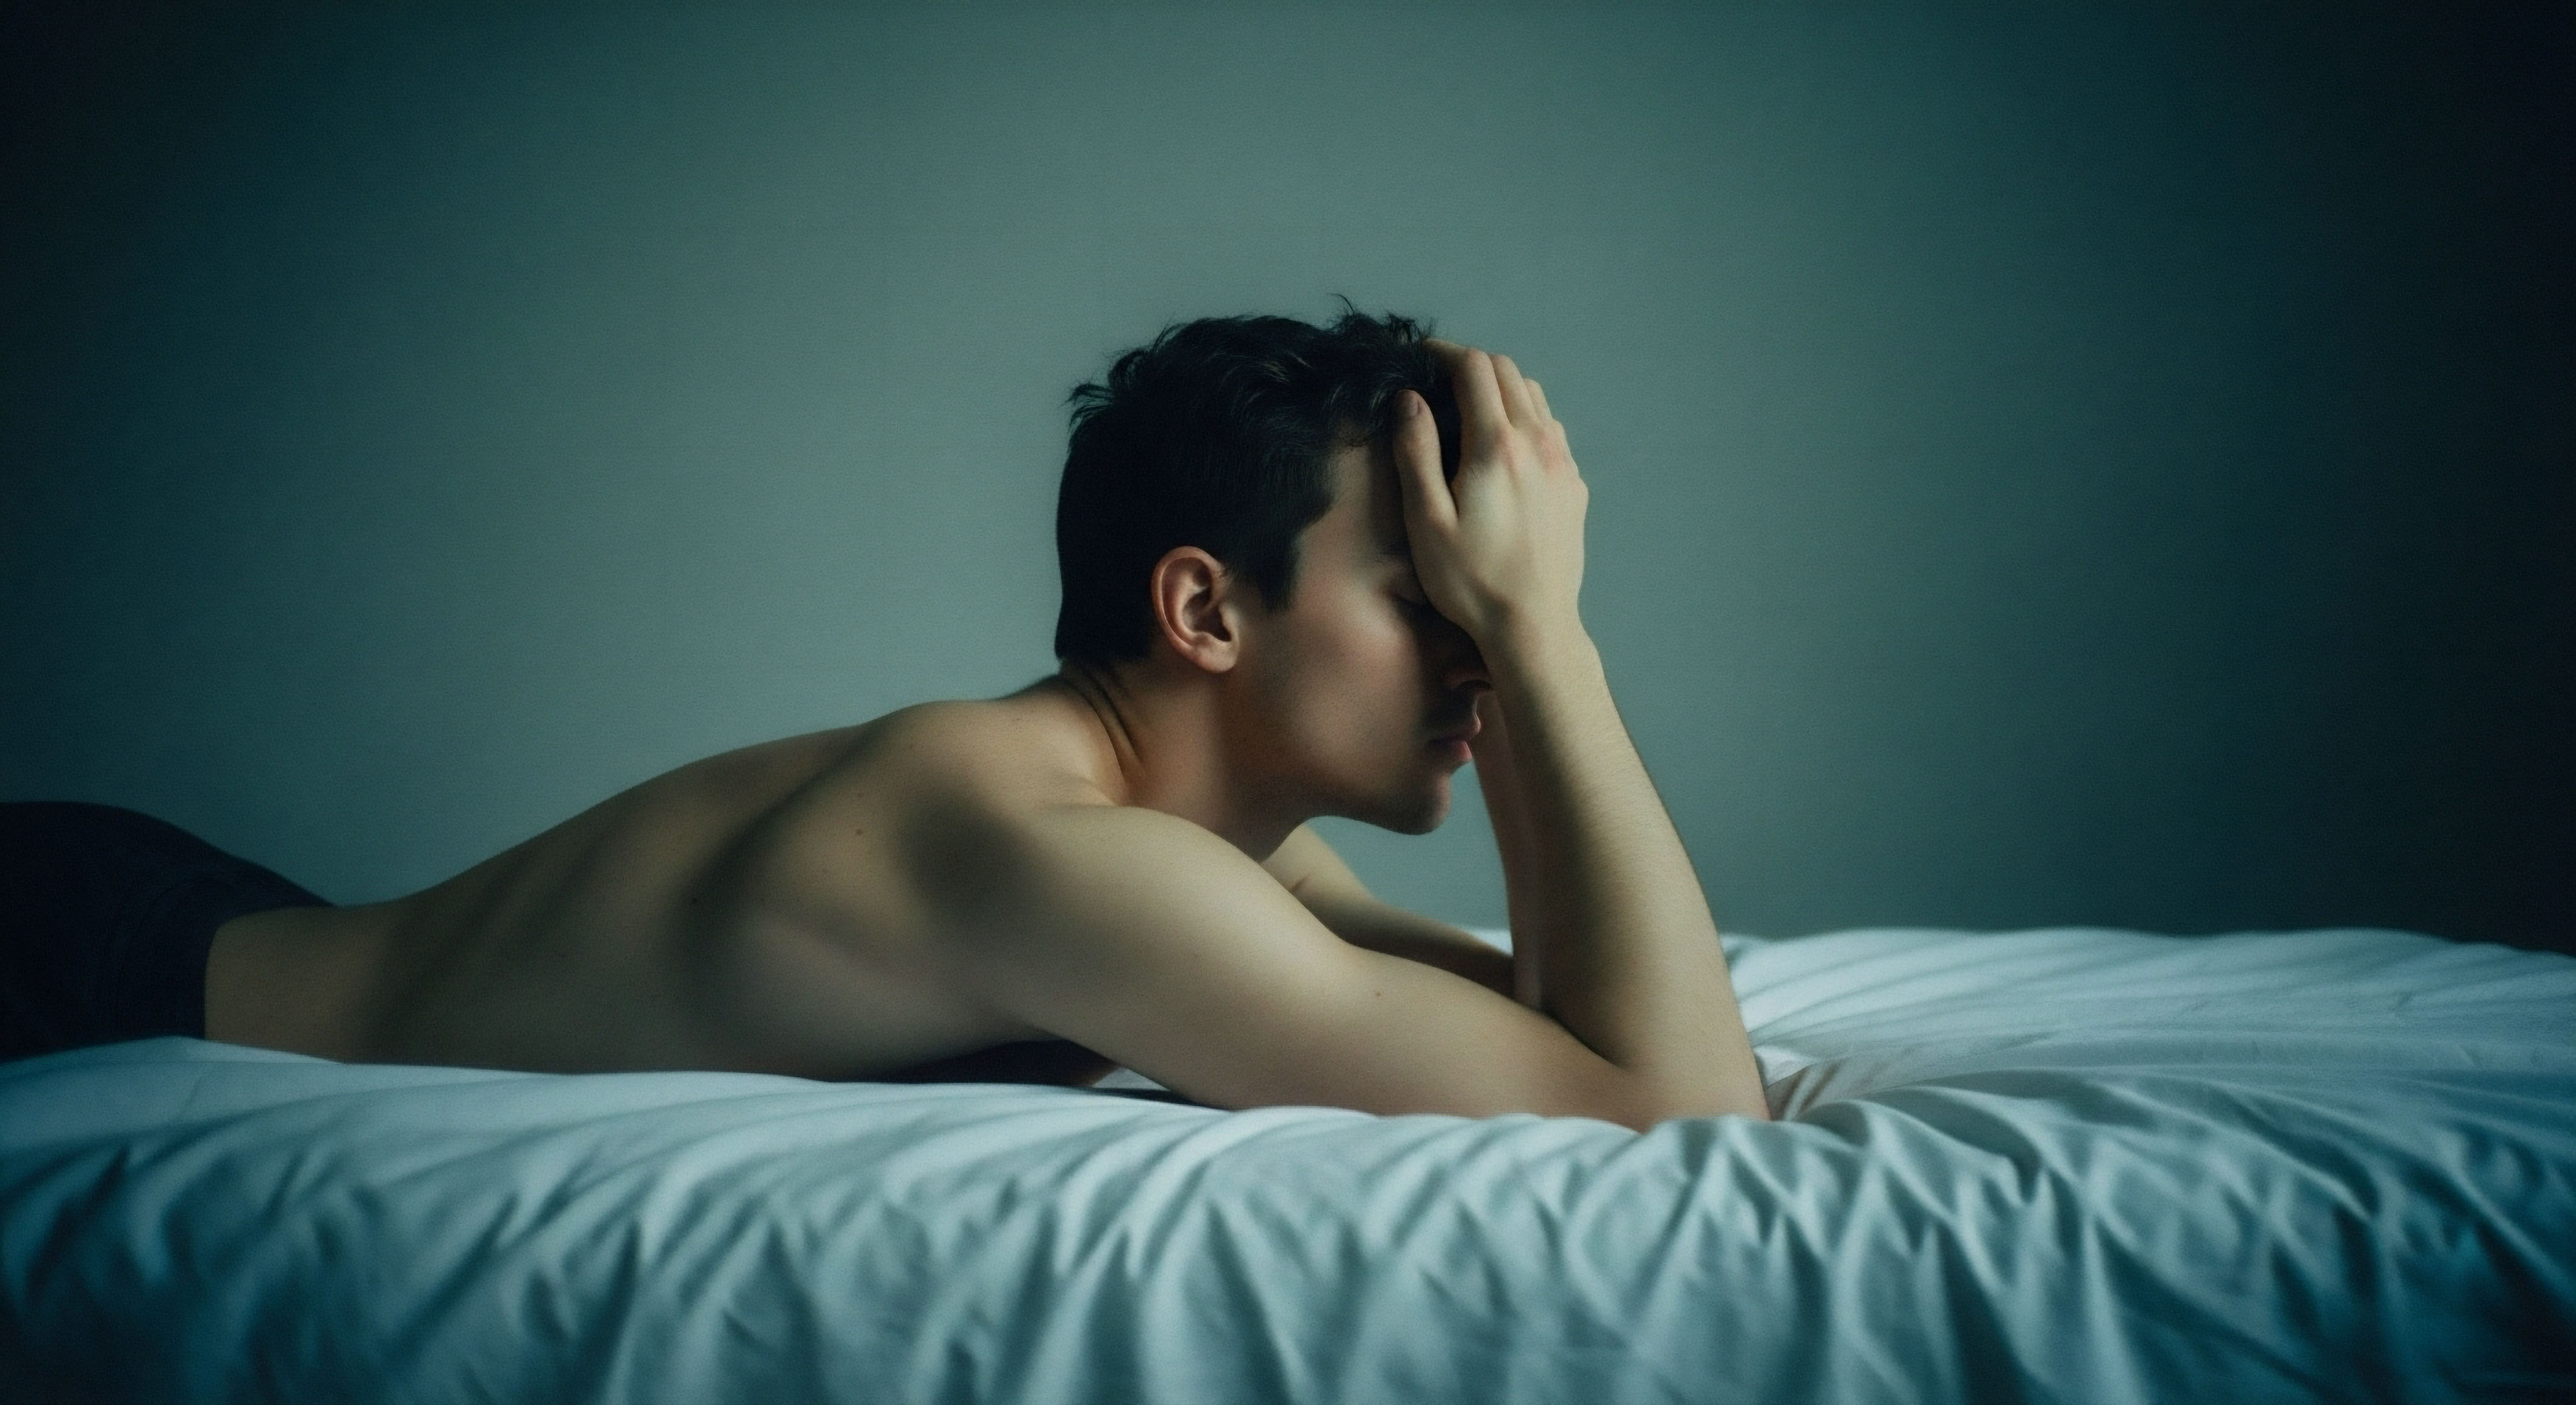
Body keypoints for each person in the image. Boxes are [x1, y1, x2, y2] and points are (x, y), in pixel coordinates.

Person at [0, 309, 1767, 1130]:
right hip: (92, 971)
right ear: (1207, 610)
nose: (1469, 639)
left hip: (211, 910)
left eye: (1479, 597)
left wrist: (1526, 626)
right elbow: (1676, 1123)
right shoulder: (1063, 864)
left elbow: (1578, 1034)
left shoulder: (1197, 844)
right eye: (1427, 592)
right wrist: (1546, 646)